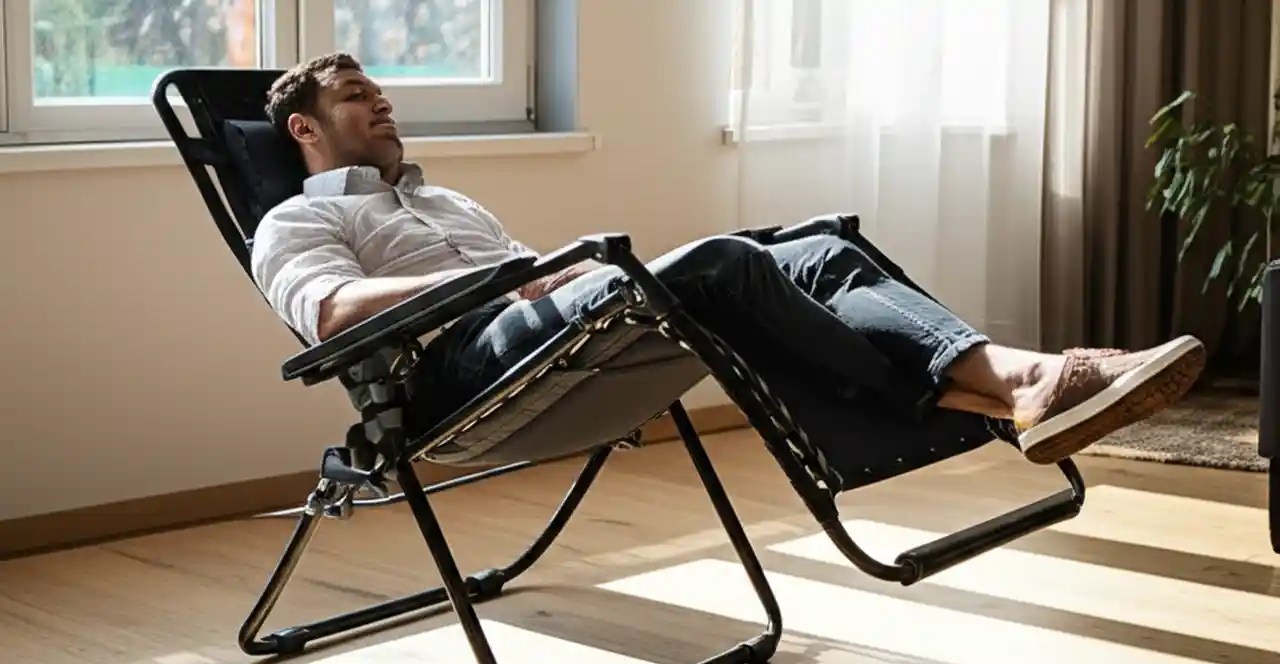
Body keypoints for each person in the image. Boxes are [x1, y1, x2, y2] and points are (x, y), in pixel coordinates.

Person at [250, 53, 1205, 471]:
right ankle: (1007, 385)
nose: (381, 104)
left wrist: (551, 276)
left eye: (379, 91)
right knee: (717, 263)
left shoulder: (444, 197)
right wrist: (485, 279)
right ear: (304, 128)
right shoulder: (292, 221)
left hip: (547, 319)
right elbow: (329, 317)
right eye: (355, 96)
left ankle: (1017, 379)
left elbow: (537, 280)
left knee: (810, 250)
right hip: (462, 371)